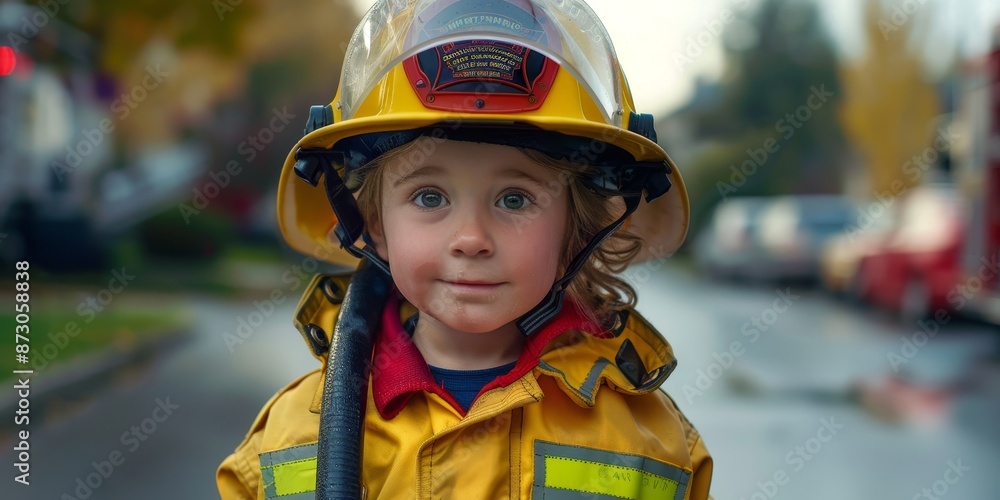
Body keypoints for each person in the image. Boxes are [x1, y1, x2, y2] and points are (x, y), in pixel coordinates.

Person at [217, 0, 713, 498]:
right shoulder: (284, 444)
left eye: (515, 198)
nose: (472, 238)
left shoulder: (654, 449)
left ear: (577, 229)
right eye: (429, 197)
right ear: (373, 223)